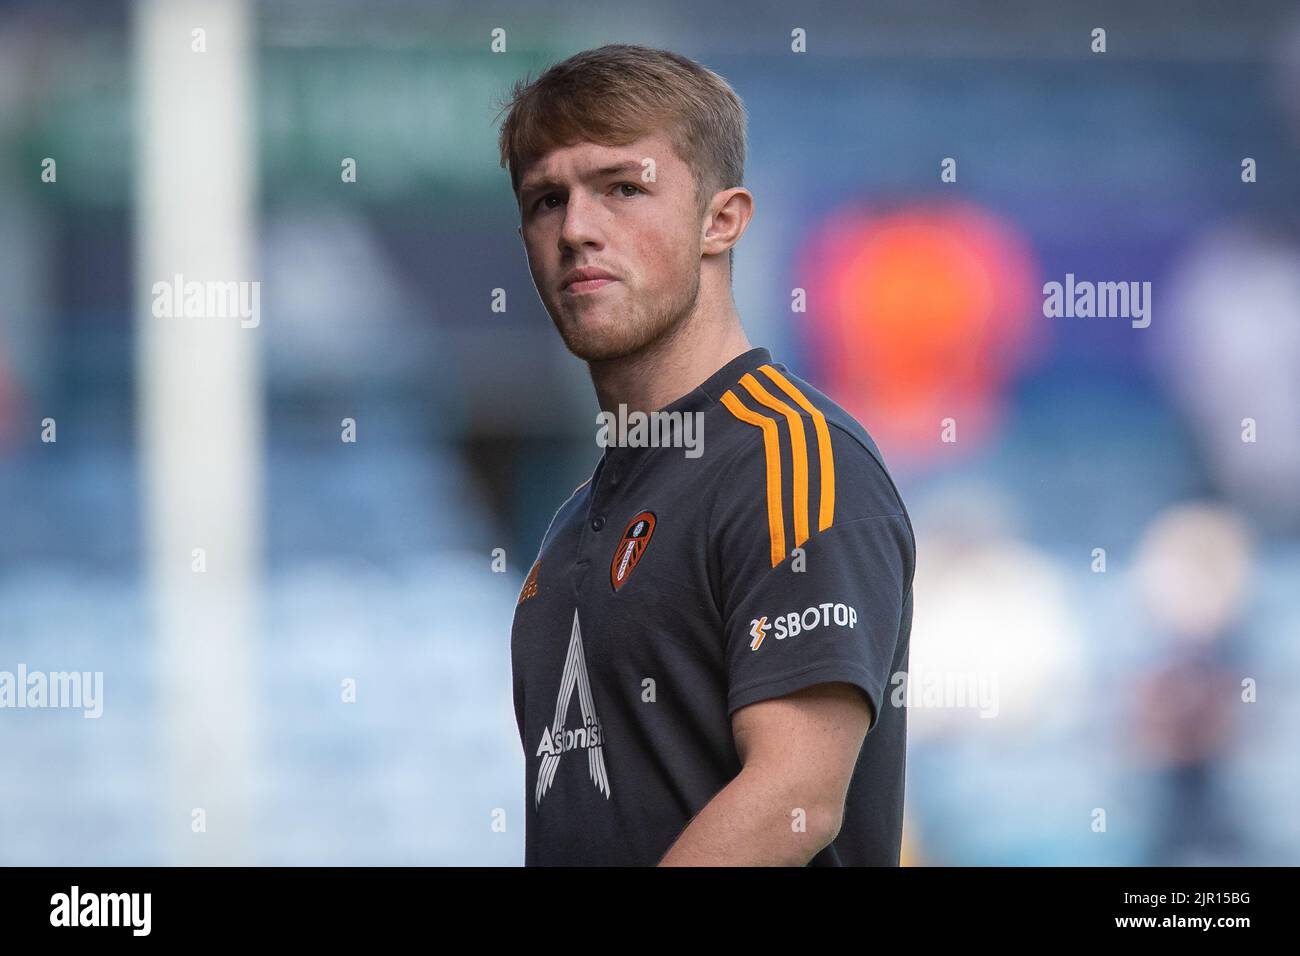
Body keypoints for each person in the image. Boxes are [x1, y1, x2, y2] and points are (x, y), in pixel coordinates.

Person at [497, 43, 915, 866]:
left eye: (623, 187)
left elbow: (796, 797)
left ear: (721, 221)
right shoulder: (570, 525)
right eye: (547, 200)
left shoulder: (791, 457)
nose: (577, 229)